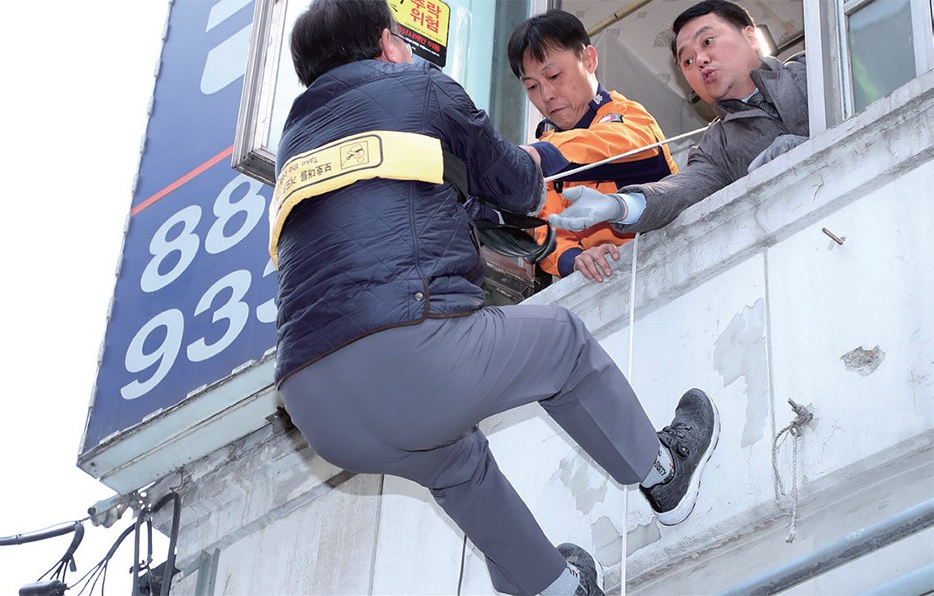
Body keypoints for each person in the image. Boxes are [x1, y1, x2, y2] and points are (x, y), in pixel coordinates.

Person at [270, 2, 719, 595]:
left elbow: (428, 205)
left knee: (454, 464)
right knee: (560, 342)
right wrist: (524, 184)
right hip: (409, 351)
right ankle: (662, 473)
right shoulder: (418, 84)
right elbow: (517, 185)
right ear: (389, 43)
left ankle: (554, 586)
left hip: (315, 410)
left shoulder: (292, 145)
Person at [548, 0, 809, 283]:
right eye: (687, 61)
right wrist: (619, 205)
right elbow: (680, 189)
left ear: (750, 37)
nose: (700, 60)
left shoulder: (813, 65)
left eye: (708, 41)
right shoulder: (716, 147)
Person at [509, 9, 679, 281]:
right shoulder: (546, 147)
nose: (546, 95)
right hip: (597, 287)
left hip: (668, 266)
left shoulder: (629, 118)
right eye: (532, 87)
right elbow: (545, 227)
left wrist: (538, 156)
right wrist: (574, 259)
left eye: (554, 76)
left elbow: (622, 146)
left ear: (589, 59)